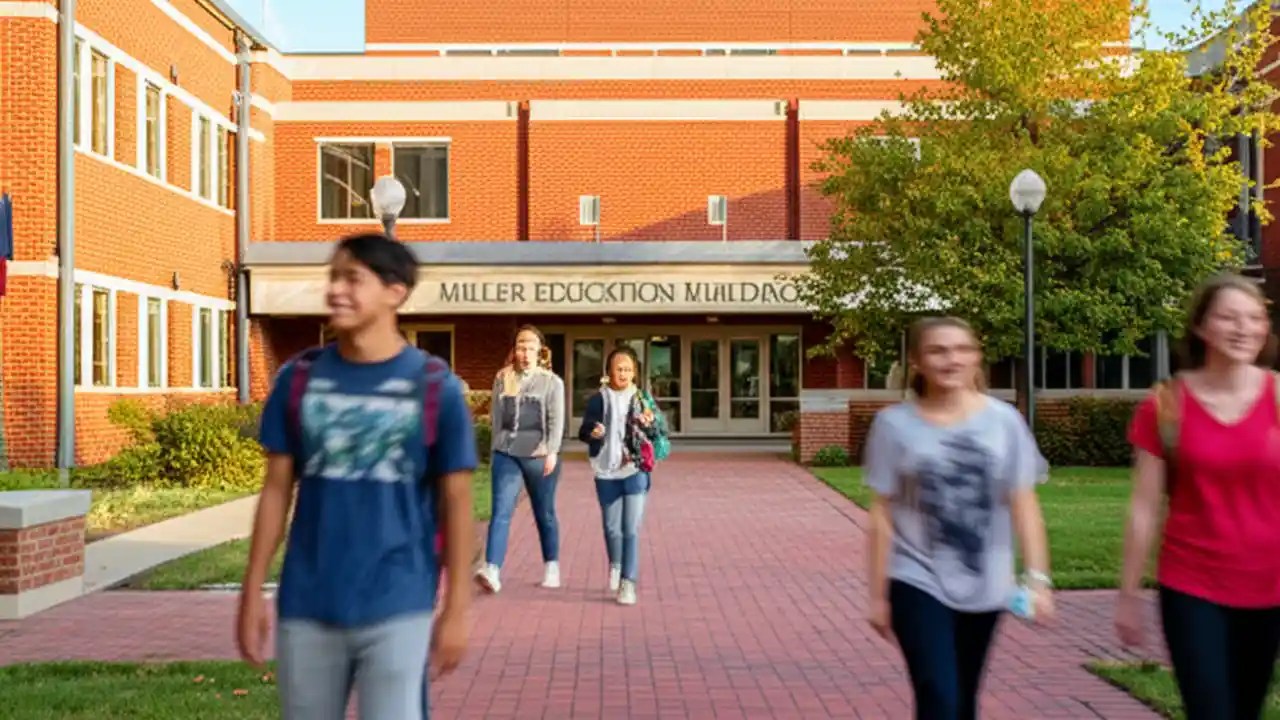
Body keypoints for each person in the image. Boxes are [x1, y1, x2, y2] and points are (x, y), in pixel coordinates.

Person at [235, 233, 477, 720]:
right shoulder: (299, 380)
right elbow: (276, 491)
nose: (336, 291)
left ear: (395, 292)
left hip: (398, 602)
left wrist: (456, 610)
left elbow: (458, 504)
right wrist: (252, 590)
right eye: (332, 277)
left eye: (353, 278)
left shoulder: (434, 388)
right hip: (308, 602)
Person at [863, 316, 1054, 720]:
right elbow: (882, 512)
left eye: (962, 349)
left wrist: (1038, 579)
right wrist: (878, 595)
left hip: (986, 581)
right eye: (938, 350)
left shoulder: (1004, 422)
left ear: (977, 357)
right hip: (915, 576)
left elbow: (1024, 503)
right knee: (939, 694)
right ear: (916, 361)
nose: (952, 359)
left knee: (964, 698)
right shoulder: (893, 425)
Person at [1116, 273, 1280, 720]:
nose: (1243, 328)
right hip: (1192, 582)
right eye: (1228, 318)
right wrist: (1128, 593)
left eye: (1254, 318)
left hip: (1270, 585)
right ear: (1202, 328)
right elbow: (1145, 507)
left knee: (1246, 708)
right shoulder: (1166, 406)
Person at [475, 325, 566, 594]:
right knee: (501, 511)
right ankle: (492, 568)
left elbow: (555, 420)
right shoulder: (503, 378)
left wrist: (552, 451)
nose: (525, 353)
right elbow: (496, 418)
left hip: (539, 455)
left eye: (530, 348)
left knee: (544, 513)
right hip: (506, 453)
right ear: (514, 351)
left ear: (540, 351)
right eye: (520, 347)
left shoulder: (552, 382)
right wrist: (493, 452)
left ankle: (551, 564)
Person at [577, 346, 666, 606]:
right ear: (609, 372)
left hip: (635, 470)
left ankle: (629, 582)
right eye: (619, 368)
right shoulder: (598, 399)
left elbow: (659, 429)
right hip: (606, 471)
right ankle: (615, 564)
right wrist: (593, 432)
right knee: (611, 528)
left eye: (628, 369)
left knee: (630, 528)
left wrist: (651, 423)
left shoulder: (642, 398)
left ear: (634, 372)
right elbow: (583, 431)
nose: (623, 373)